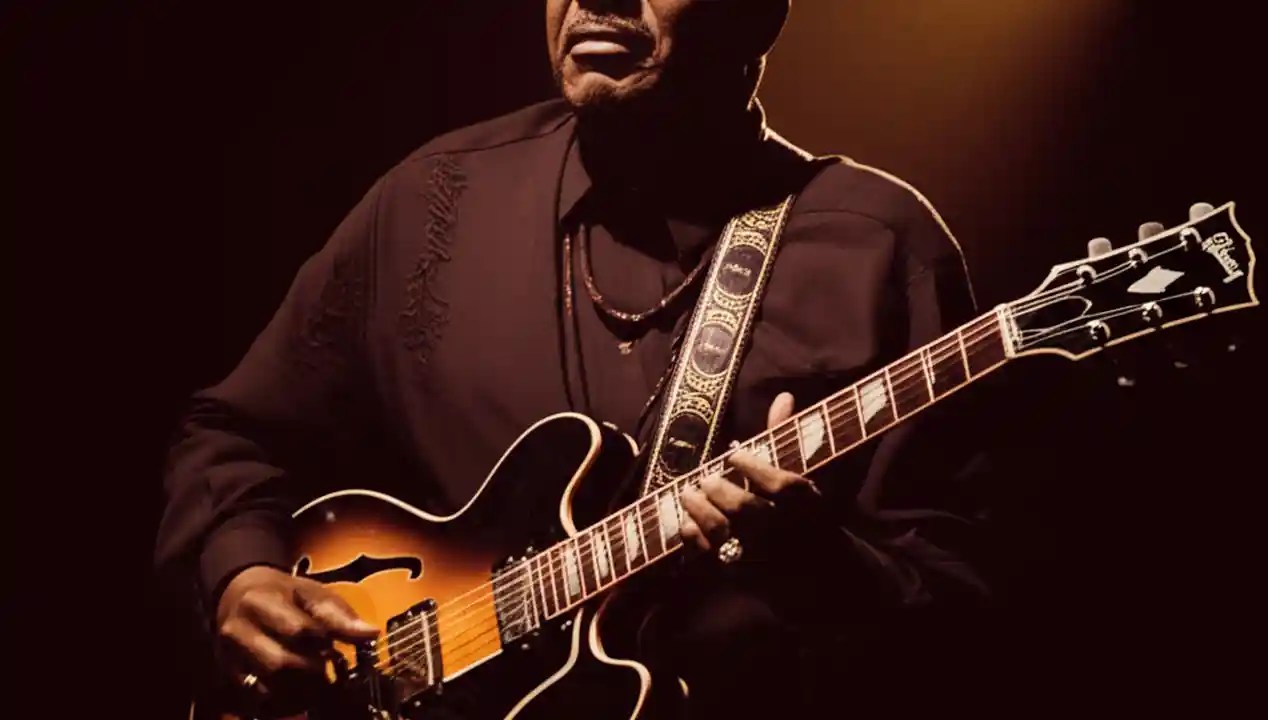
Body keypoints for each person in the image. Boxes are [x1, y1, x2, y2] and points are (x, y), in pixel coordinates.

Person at [155, 1, 1002, 717]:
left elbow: (965, 620)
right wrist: (241, 573)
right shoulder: (434, 200)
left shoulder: (877, 247)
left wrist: (823, 569)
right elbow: (233, 432)